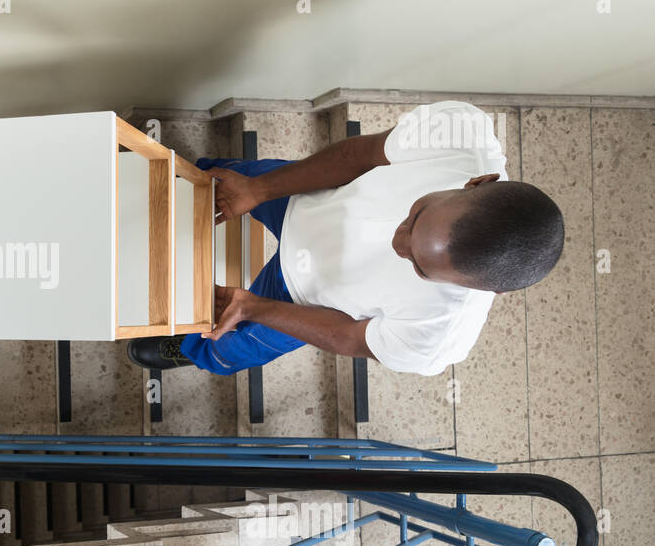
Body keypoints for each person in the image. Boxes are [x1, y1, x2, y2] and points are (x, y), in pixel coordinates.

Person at [127, 101, 564, 377]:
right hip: (309, 202)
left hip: (303, 299)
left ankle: (185, 350)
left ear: (480, 289)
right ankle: (150, 175)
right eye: (415, 217)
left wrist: (256, 307)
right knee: (217, 181)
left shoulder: (440, 336)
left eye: (418, 267)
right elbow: (360, 155)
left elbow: (350, 338)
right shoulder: (458, 137)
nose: (398, 243)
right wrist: (259, 191)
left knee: (224, 347)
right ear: (476, 181)